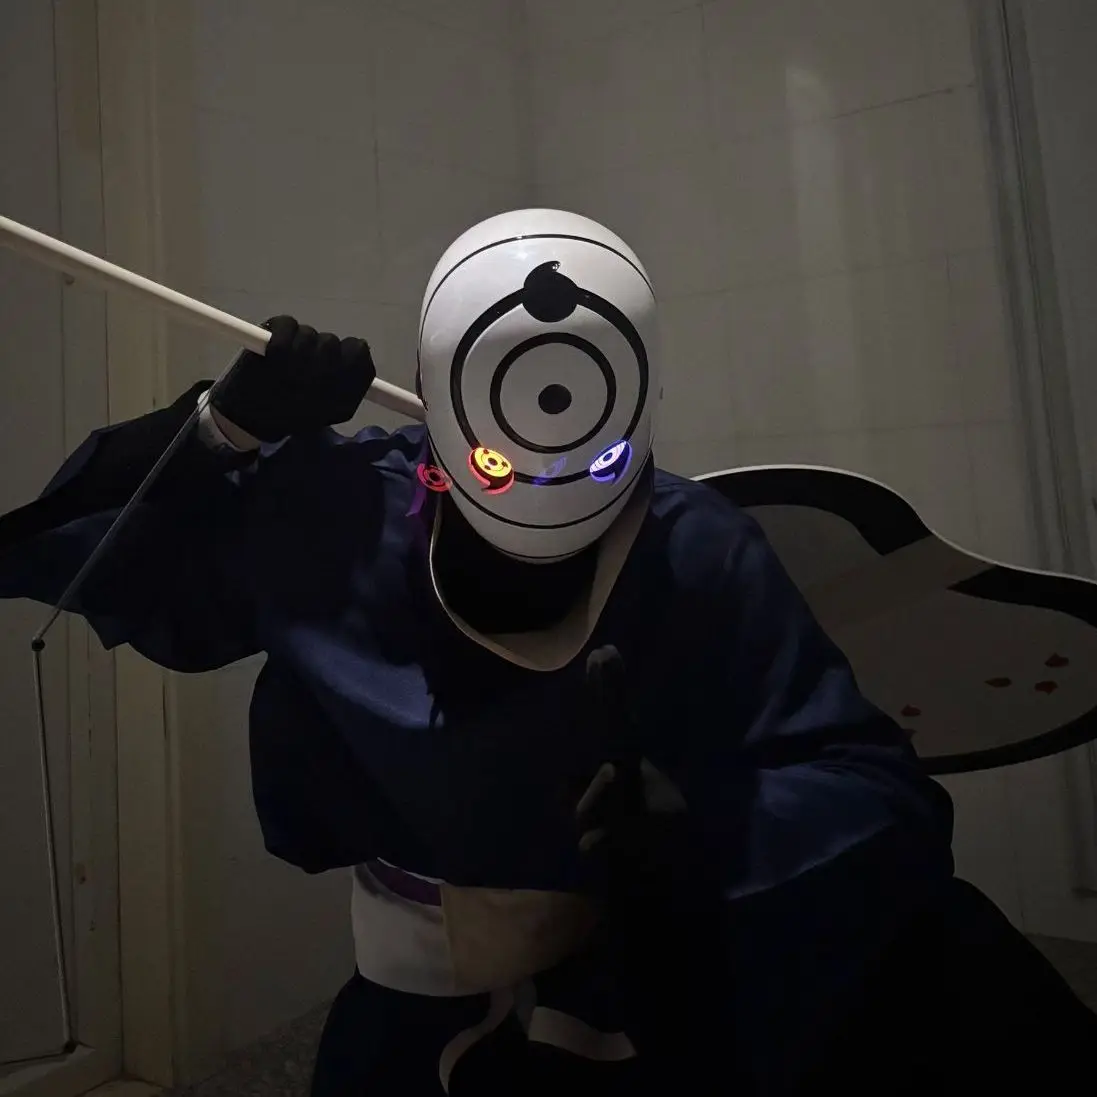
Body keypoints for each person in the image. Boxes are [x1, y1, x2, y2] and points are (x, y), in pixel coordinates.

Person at [0, 210, 1091, 1095]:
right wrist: (216, 429)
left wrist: (713, 825)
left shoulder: (692, 544)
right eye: (495, 462)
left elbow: (879, 793)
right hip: (426, 1007)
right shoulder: (333, 514)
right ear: (436, 414)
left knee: (966, 983)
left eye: (595, 461)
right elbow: (64, 556)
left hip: (659, 966)